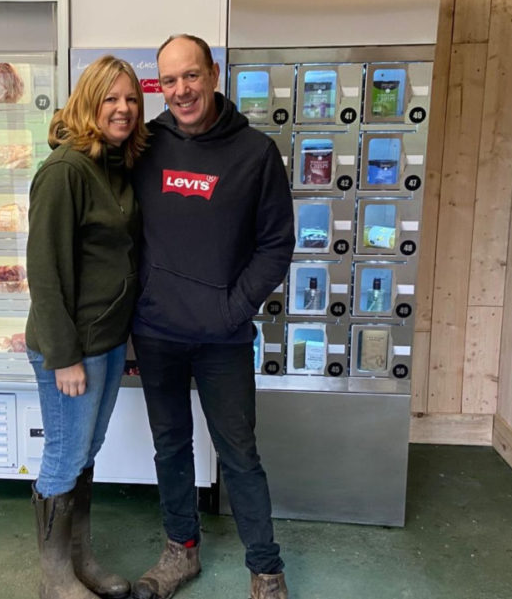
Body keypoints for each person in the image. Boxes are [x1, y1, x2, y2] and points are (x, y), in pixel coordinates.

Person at [130, 34, 295, 599]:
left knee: (239, 452)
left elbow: (277, 244)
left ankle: (265, 569)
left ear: (214, 74)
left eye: (191, 76)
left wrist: (234, 306)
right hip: (155, 332)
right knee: (170, 446)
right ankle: (181, 552)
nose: (181, 91)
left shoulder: (255, 154)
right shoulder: (145, 145)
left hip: (222, 338)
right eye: (169, 81)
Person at [24, 55, 148, 599]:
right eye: (111, 98)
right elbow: (45, 272)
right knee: (64, 453)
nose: (123, 109)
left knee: (85, 452)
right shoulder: (65, 171)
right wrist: (64, 356)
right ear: (89, 102)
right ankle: (56, 579)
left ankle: (81, 560)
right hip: (72, 346)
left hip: (107, 340)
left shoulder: (114, 164)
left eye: (132, 99)